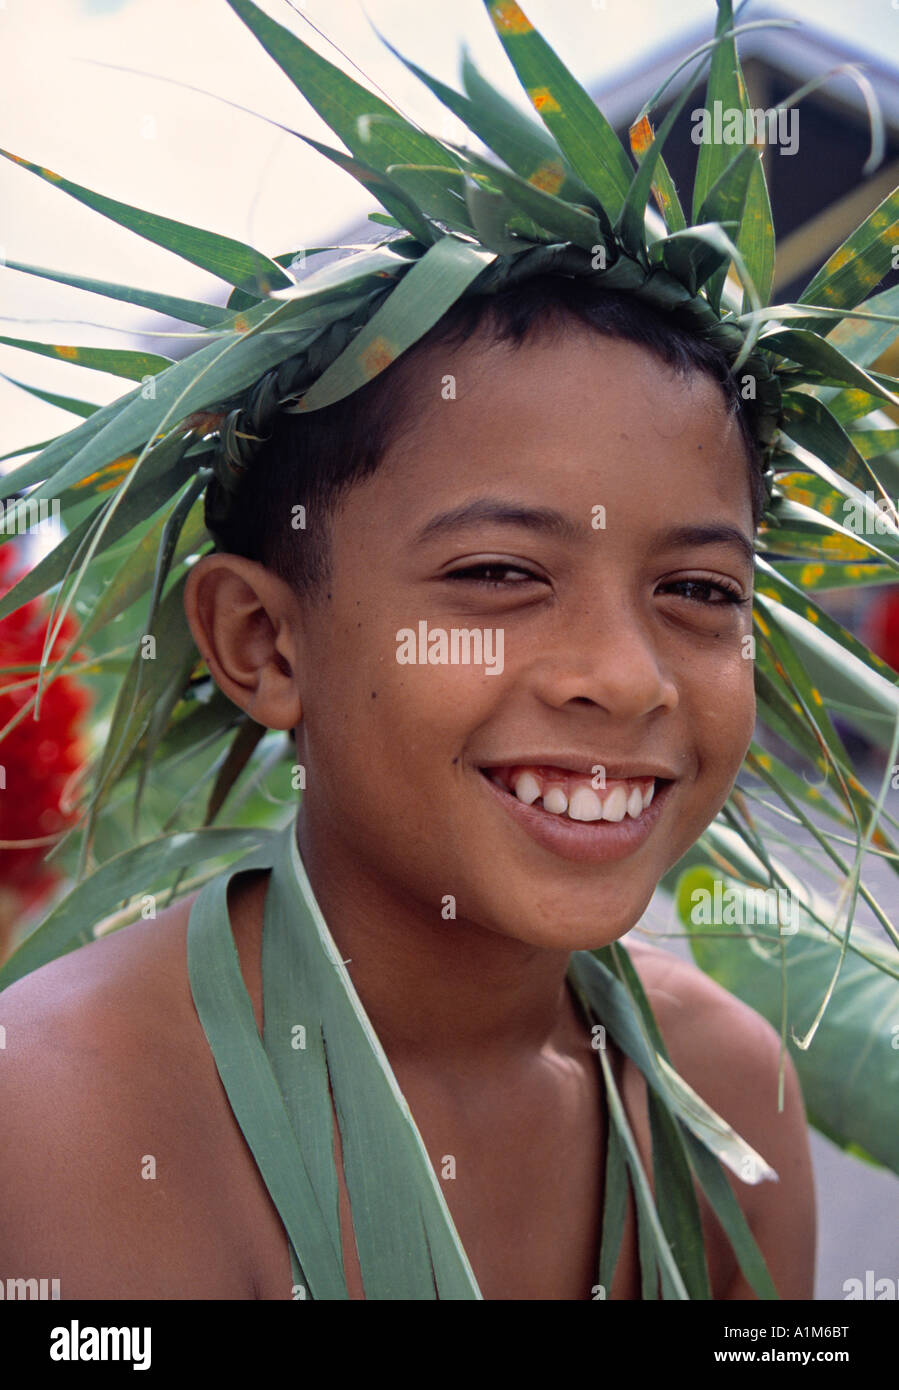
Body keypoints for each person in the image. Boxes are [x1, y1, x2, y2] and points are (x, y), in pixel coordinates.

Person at [0, 278, 815, 1299]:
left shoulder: (727, 1097)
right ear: (264, 643)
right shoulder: (75, 1116)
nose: (623, 676)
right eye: (498, 573)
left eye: (696, 590)